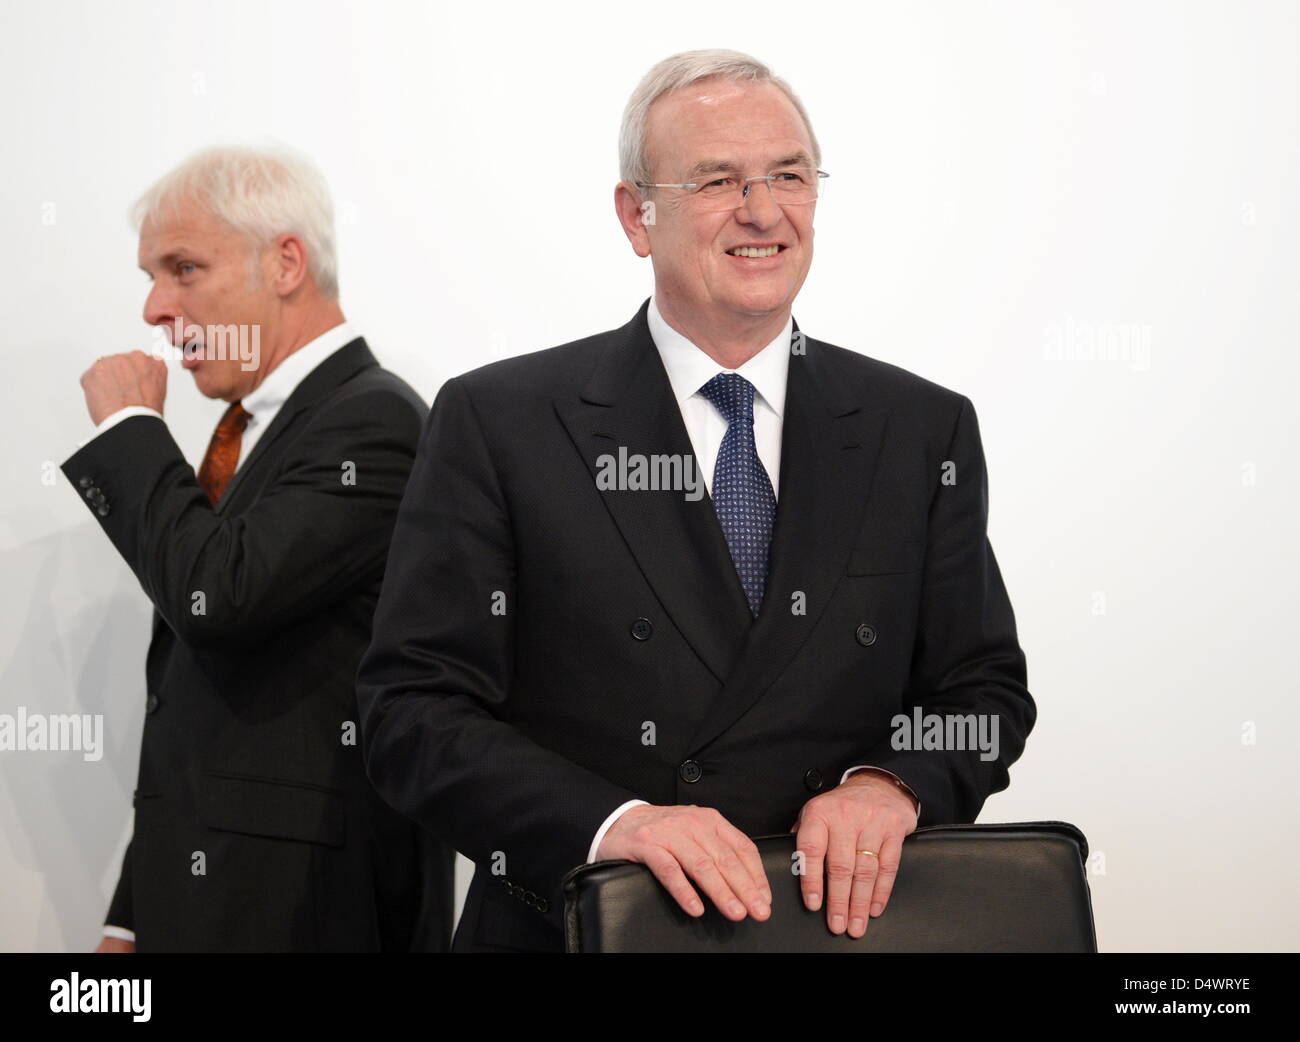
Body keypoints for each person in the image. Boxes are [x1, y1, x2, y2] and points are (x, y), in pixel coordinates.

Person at [357, 50, 1035, 952]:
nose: (763, 212)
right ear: (637, 216)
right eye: (718, 180)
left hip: (830, 934)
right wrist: (612, 826)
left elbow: (982, 691)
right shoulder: (501, 421)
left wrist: (891, 783)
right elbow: (410, 712)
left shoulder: (921, 430)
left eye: (789, 175)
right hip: (572, 930)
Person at [63, 145, 455, 952]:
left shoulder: (374, 422)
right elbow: (198, 702)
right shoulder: (257, 432)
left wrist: (132, 433)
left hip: (303, 915)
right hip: (208, 907)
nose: (154, 310)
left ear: (285, 263)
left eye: (182, 269)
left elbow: (217, 596)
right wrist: (131, 913)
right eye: (150, 276)